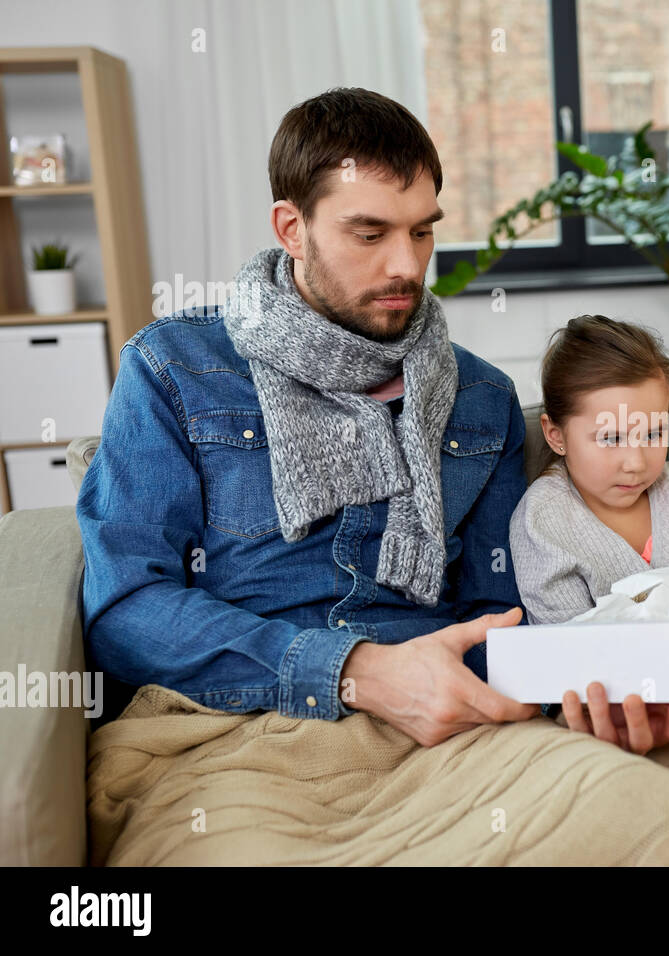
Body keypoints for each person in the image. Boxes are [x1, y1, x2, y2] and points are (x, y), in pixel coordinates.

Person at [77, 87, 544, 749]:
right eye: (370, 233)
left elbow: (495, 619)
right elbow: (125, 612)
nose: (407, 265)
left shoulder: (482, 397)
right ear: (292, 229)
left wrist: (580, 690)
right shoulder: (174, 368)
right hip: (240, 729)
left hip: (450, 732)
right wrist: (355, 672)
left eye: (422, 230)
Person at [510, 315, 669, 749]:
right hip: (608, 711)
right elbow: (567, 651)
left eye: (654, 433)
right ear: (556, 435)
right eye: (611, 438)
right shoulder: (544, 521)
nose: (635, 462)